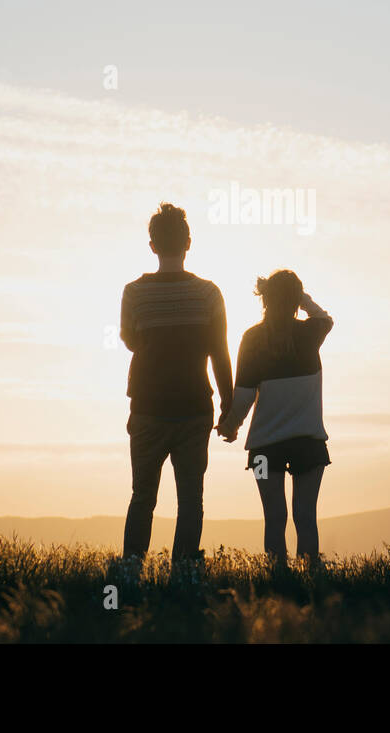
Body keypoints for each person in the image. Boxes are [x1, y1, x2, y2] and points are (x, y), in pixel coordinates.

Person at [120, 203, 232, 562]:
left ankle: (131, 570)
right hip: (194, 407)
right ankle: (184, 572)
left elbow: (131, 341)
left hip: (148, 408)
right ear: (188, 242)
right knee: (190, 500)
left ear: (152, 245)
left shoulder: (134, 293)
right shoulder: (208, 294)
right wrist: (229, 407)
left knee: (142, 497)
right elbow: (220, 353)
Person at [216, 270, 332, 563]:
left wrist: (230, 426)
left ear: (265, 300)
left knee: (274, 519)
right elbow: (325, 319)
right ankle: (310, 585)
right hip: (309, 442)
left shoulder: (253, 339)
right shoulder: (309, 333)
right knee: (306, 517)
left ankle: (276, 583)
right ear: (295, 299)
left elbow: (242, 396)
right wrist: (303, 299)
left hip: (265, 447)